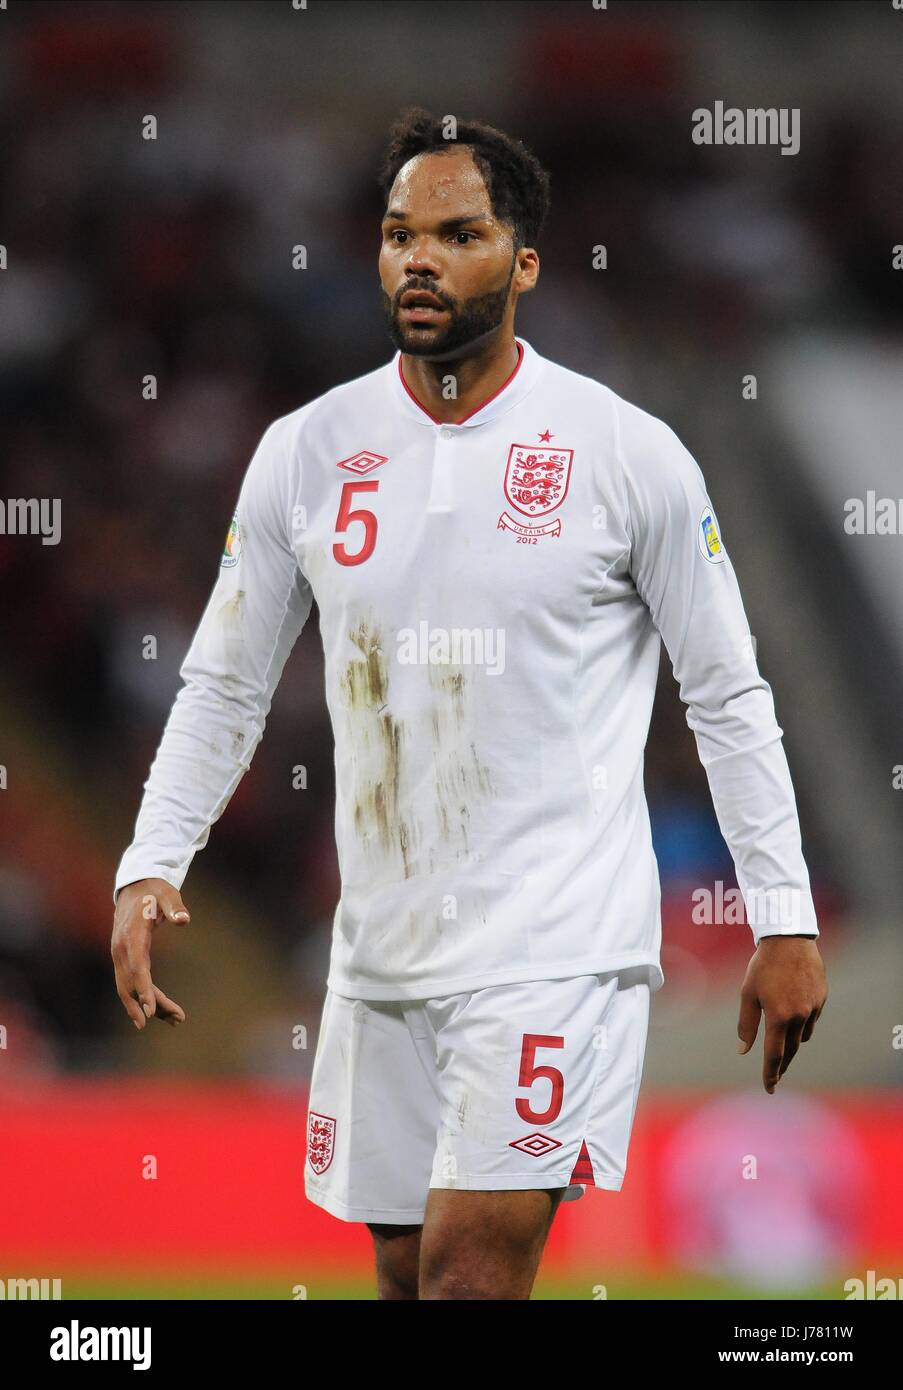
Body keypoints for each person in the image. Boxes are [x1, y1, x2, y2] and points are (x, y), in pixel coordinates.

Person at [111, 107, 828, 1300]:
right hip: (382, 950)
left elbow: (727, 690)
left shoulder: (624, 453)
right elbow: (224, 680)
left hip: (556, 943)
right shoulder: (308, 450)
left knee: (470, 1275)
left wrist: (785, 914)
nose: (420, 260)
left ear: (525, 261)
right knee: (407, 1278)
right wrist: (152, 857)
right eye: (398, 234)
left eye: (457, 233)